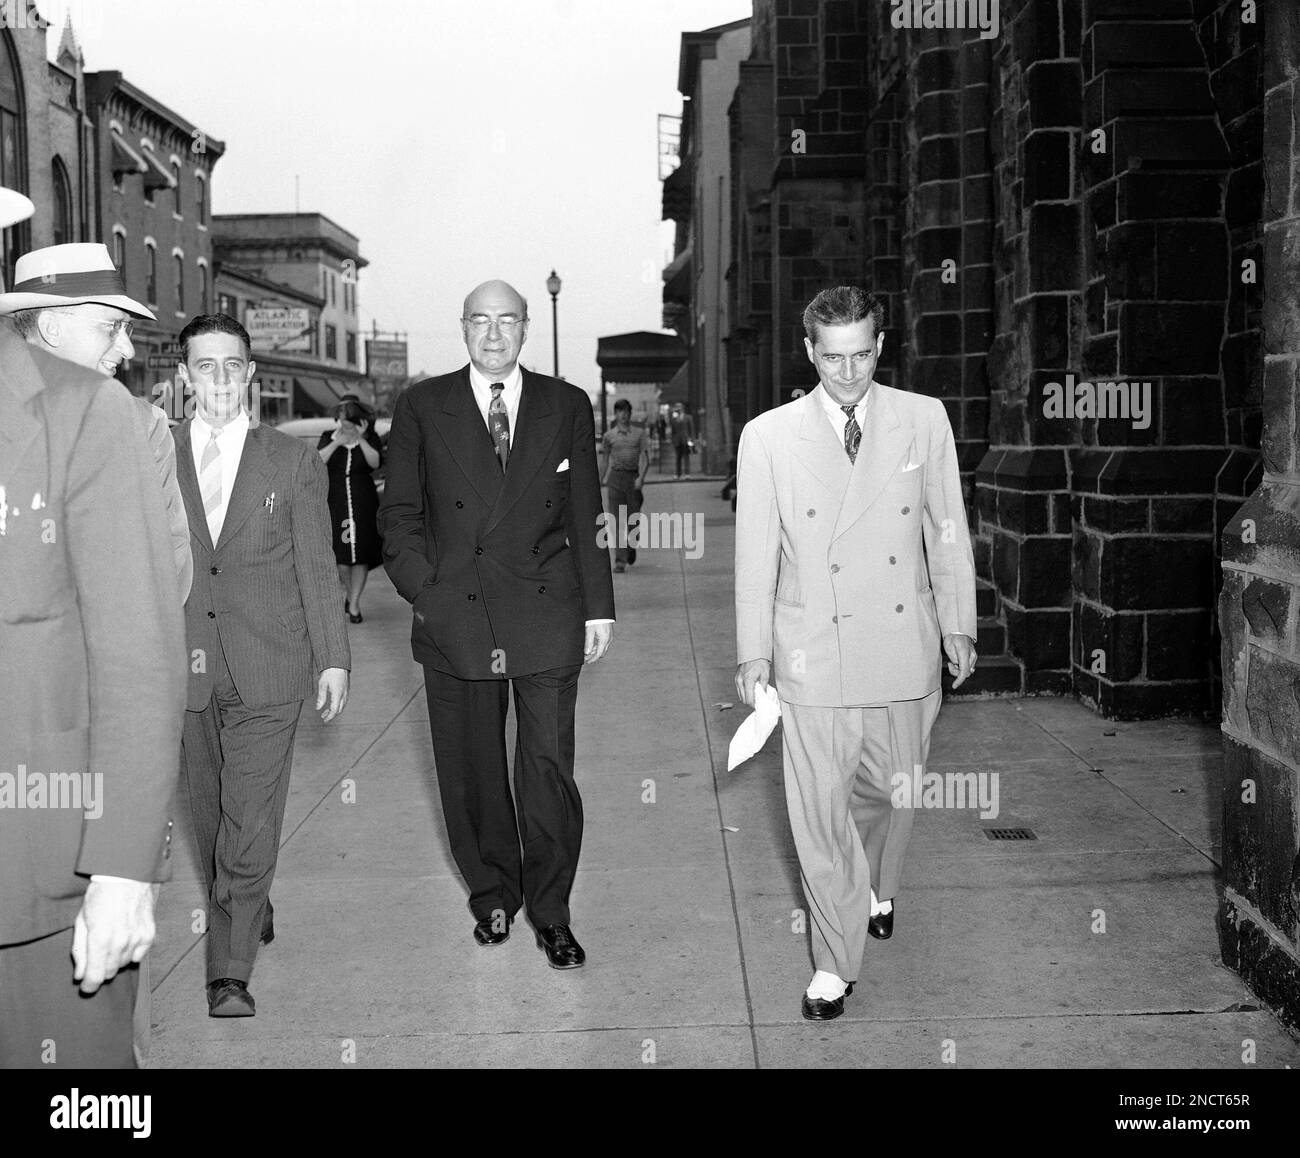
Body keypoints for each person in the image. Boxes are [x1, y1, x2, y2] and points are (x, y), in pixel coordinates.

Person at [734, 286, 977, 1021]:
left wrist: (959, 622)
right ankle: (835, 963)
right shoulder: (768, 435)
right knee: (819, 812)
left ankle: (877, 881)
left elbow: (946, 529)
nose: (848, 372)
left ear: (881, 345)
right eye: (833, 357)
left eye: (863, 354)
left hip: (903, 645)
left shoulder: (922, 419)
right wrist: (753, 653)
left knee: (891, 793)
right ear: (809, 351)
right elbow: (756, 554)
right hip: (813, 652)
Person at [0, 186, 188, 1068]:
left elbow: (139, 658)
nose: (123, 349)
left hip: (35, 870)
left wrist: (120, 870)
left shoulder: (83, 414)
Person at [379, 279, 614, 969]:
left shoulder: (566, 404)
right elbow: (398, 517)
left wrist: (598, 606)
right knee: (472, 771)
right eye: (480, 320)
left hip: (546, 613)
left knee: (545, 770)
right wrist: (429, 594)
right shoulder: (422, 406)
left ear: (525, 327)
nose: (492, 333)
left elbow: (585, 512)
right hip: (458, 616)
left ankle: (551, 911)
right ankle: (492, 896)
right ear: (462, 328)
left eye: (506, 320)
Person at [172, 314, 350, 1017]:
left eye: (231, 365)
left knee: (249, 817)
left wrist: (332, 657)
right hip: (184, 666)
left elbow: (316, 562)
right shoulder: (155, 455)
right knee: (212, 815)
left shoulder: (290, 460)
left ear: (251, 375)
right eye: (204, 366)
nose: (219, 378)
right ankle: (250, 900)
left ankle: (229, 969)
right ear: (185, 377)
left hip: (270, 664)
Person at [0, 242, 192, 603]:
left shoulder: (145, 426)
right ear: (52, 328)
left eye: (128, 329)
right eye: (112, 327)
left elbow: (173, 562)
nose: (128, 349)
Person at [318, 396, 384, 622]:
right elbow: (317, 462)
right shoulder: (329, 436)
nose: (346, 421)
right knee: (341, 556)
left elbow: (375, 463)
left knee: (361, 553)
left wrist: (362, 439)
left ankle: (354, 603)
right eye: (343, 415)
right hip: (336, 502)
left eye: (350, 416)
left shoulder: (370, 438)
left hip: (362, 502)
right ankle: (350, 593)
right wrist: (337, 442)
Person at [599, 397, 648, 573]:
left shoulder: (639, 434)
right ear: (616, 414)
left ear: (630, 413)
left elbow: (644, 457)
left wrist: (641, 478)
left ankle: (631, 546)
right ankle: (620, 560)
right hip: (615, 479)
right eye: (620, 412)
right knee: (616, 521)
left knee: (633, 520)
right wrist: (598, 482)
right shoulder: (608, 436)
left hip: (632, 479)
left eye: (626, 412)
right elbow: (604, 462)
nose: (623, 415)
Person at [670, 404, 695, 478]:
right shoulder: (674, 418)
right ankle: (678, 474)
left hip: (686, 440)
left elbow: (691, 429)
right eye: (676, 408)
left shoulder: (688, 417)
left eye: (679, 407)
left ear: (682, 408)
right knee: (678, 458)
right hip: (678, 441)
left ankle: (687, 474)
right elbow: (673, 431)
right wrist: (673, 440)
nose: (677, 409)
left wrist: (691, 440)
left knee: (686, 457)